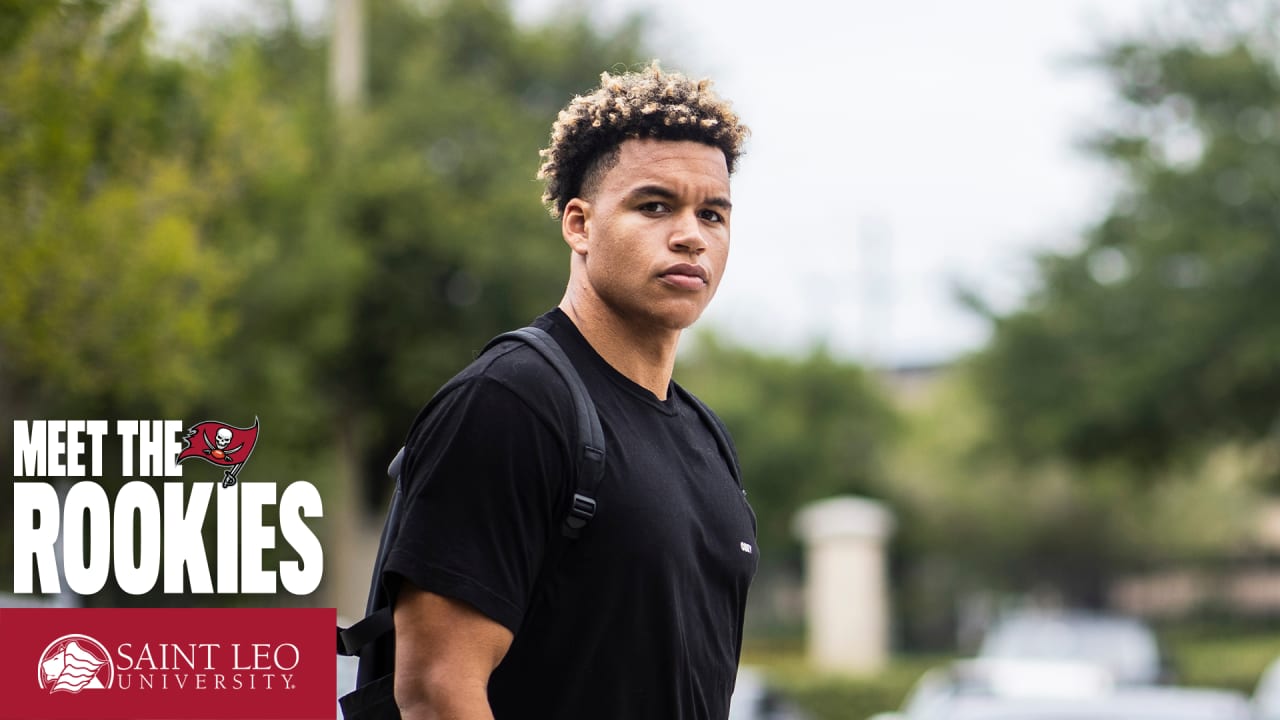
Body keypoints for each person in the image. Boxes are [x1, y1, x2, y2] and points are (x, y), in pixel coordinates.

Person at [384, 62, 757, 720]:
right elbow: (436, 691)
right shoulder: (511, 404)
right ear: (579, 225)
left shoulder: (706, 438)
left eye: (713, 214)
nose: (690, 235)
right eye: (654, 205)